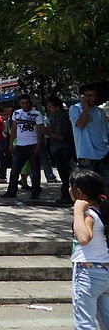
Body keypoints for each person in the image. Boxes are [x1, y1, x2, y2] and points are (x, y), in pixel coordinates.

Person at [69, 169, 109, 330]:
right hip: (104, 270)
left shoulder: (88, 215)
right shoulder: (102, 211)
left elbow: (84, 238)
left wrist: (78, 210)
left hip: (87, 272)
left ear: (78, 192)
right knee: (105, 318)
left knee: (84, 322)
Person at [2, 94, 44, 200]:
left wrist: (38, 145)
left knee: (35, 170)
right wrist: (11, 143)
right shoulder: (17, 113)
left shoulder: (37, 114)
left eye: (26, 103)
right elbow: (14, 129)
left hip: (32, 143)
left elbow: (40, 131)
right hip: (20, 145)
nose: (25, 105)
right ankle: (11, 190)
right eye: (22, 103)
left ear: (30, 103)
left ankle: (35, 191)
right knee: (15, 169)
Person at [70, 85, 109, 181]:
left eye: (94, 95)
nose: (93, 98)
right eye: (89, 95)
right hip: (86, 154)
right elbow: (80, 124)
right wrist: (85, 109)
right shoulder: (75, 109)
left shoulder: (100, 112)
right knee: (88, 185)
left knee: (105, 184)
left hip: (103, 153)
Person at [48, 96, 75, 205]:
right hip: (57, 148)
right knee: (63, 173)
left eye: (50, 106)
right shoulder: (53, 117)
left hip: (63, 148)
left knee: (65, 174)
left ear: (57, 107)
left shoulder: (62, 118)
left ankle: (67, 195)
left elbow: (61, 136)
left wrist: (47, 133)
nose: (48, 109)